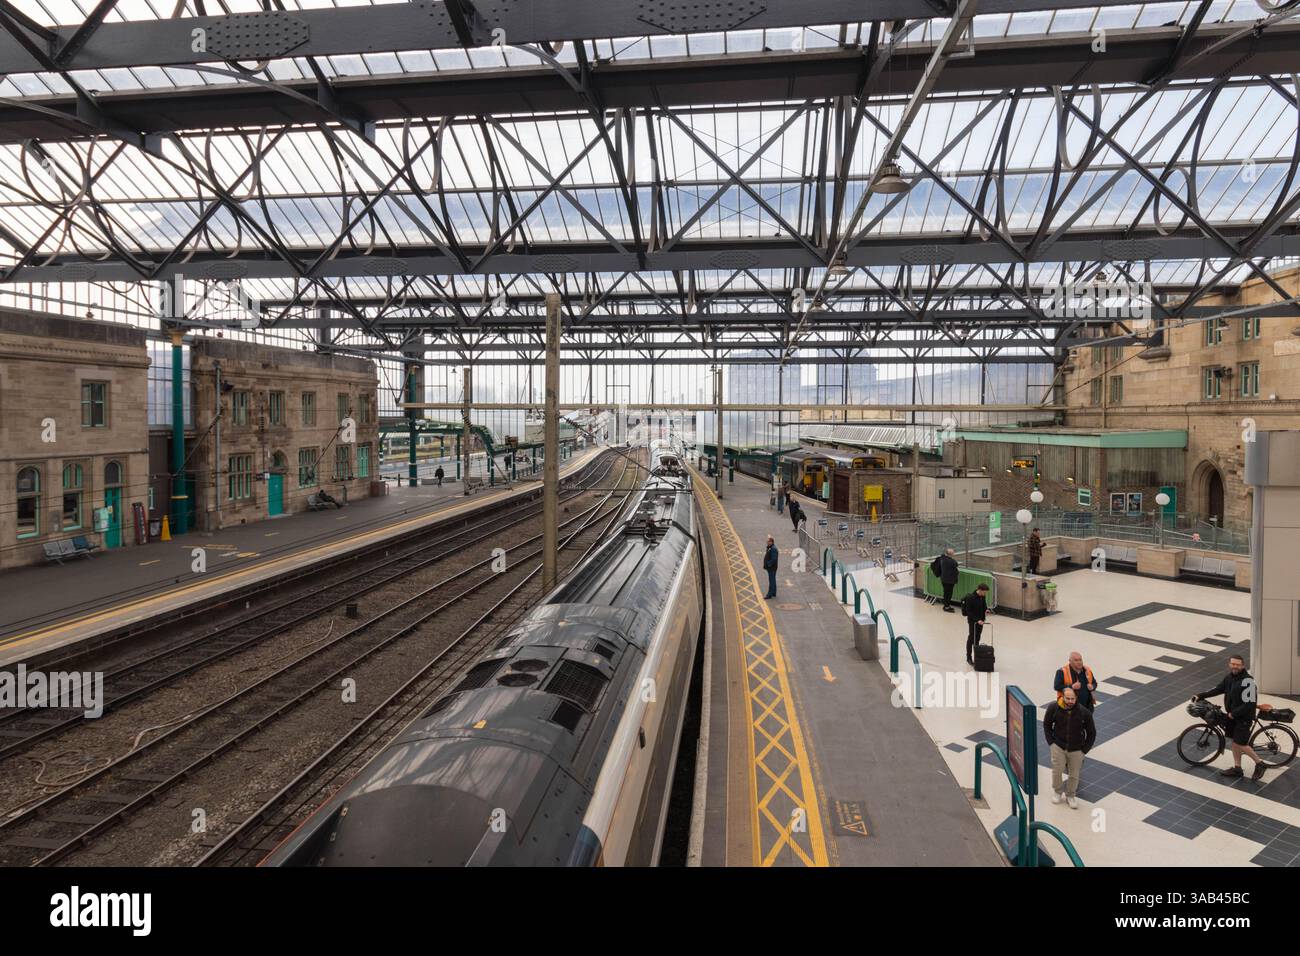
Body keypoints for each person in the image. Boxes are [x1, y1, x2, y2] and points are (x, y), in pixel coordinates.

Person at [1192, 654, 1268, 780]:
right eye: (1233, 664)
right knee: (1235, 743)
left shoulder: (1247, 681)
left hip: (1243, 718)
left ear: (1243, 666)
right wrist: (1201, 696)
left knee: (1241, 743)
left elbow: (1250, 704)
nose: (1235, 666)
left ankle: (1260, 764)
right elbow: (1218, 689)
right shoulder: (1229, 678)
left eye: (1238, 664)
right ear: (1229, 664)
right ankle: (1237, 769)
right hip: (1232, 716)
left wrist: (1234, 714)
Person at [1042, 686, 1096, 808]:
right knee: (1057, 770)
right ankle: (1057, 791)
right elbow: (1047, 725)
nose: (1070, 701)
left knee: (1074, 774)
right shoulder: (1053, 708)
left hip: (1077, 749)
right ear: (1062, 696)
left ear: (1076, 698)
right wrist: (1051, 742)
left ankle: (1070, 795)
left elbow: (1092, 732)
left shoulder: (1084, 713)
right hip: (1058, 746)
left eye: (1072, 698)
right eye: (1068, 698)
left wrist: (1084, 750)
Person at [962, 583, 989, 665]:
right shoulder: (970, 598)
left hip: (981, 621)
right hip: (973, 621)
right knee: (971, 638)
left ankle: (976, 656)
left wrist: (986, 610)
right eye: (984, 592)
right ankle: (969, 657)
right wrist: (977, 620)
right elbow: (969, 612)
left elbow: (984, 606)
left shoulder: (982, 596)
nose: (985, 594)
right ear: (980, 590)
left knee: (977, 638)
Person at [935, 548, 960, 612]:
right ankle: (946, 606)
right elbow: (956, 564)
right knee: (948, 593)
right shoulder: (949, 560)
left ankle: (947, 605)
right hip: (949, 580)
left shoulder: (943, 558)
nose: (954, 553)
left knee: (946, 593)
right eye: (953, 553)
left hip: (945, 579)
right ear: (950, 554)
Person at [762, 535, 778, 599]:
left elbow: (774, 559)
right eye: (767, 542)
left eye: (768, 542)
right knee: (773, 579)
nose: (767, 543)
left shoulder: (773, 549)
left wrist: (768, 564)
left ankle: (769, 594)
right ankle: (774, 592)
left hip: (772, 568)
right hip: (771, 567)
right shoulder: (770, 547)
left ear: (772, 542)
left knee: (771, 580)